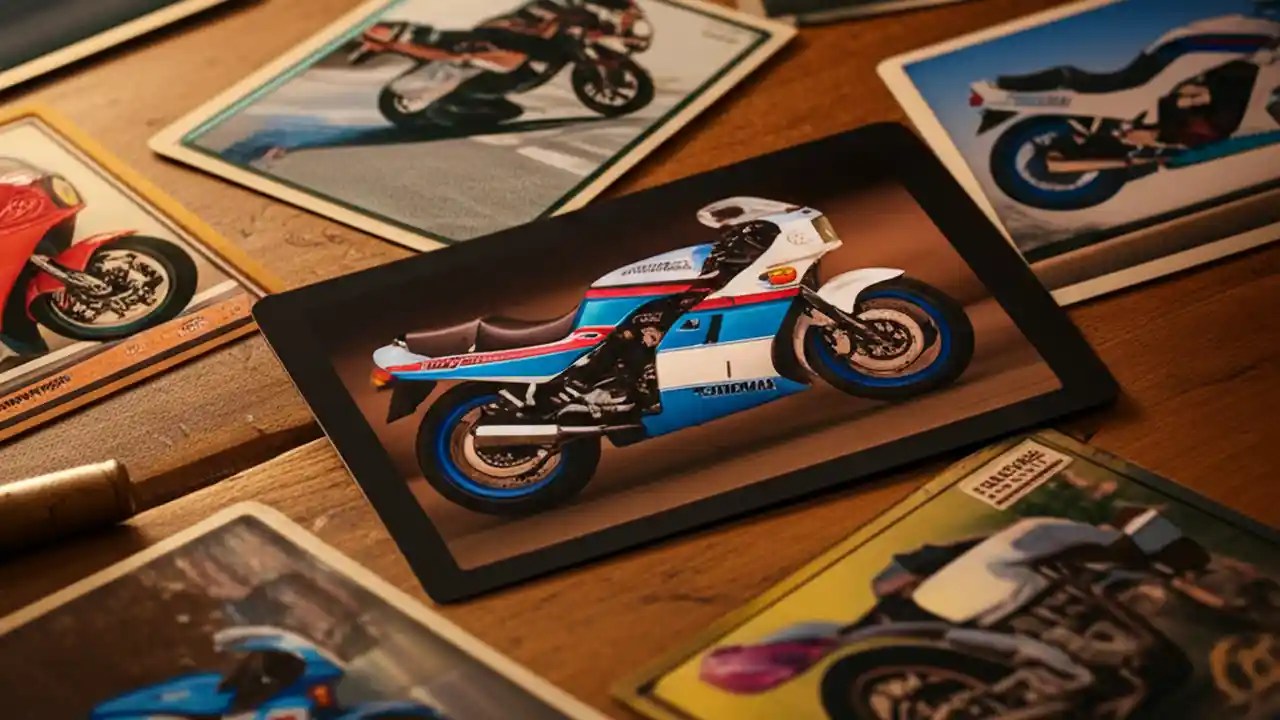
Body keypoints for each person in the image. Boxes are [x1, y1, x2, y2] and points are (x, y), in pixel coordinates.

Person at [543, 218, 781, 422]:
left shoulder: (747, 270)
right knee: (640, 326)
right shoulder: (712, 264)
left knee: (651, 324)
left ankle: (599, 380)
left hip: (708, 325)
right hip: (681, 322)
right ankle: (584, 382)